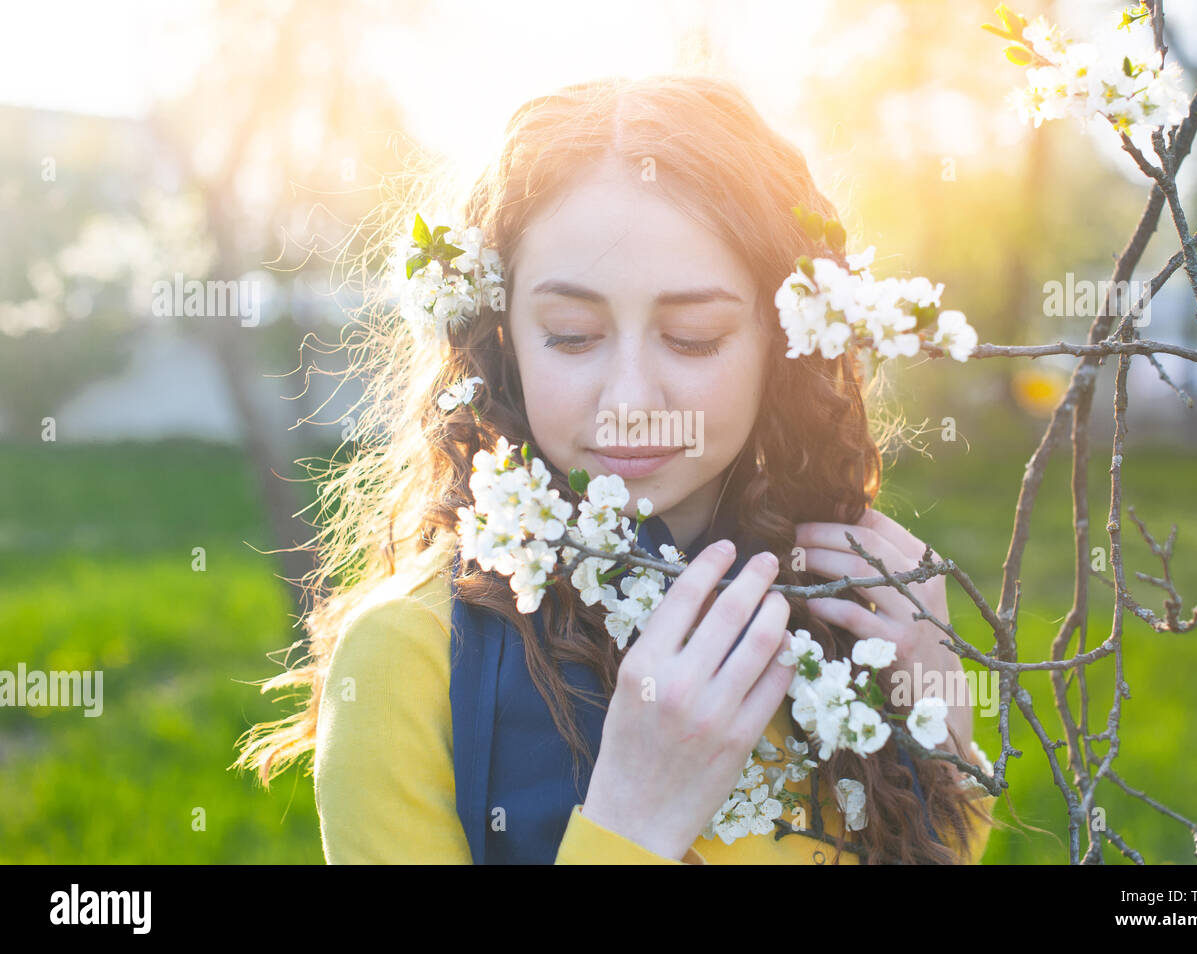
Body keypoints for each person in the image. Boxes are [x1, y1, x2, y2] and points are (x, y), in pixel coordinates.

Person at [233, 73, 997, 864]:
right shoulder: (410, 659)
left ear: (783, 340)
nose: (630, 400)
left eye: (693, 337)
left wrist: (937, 711)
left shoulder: (837, 602)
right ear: (502, 338)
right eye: (571, 334)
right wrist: (633, 825)